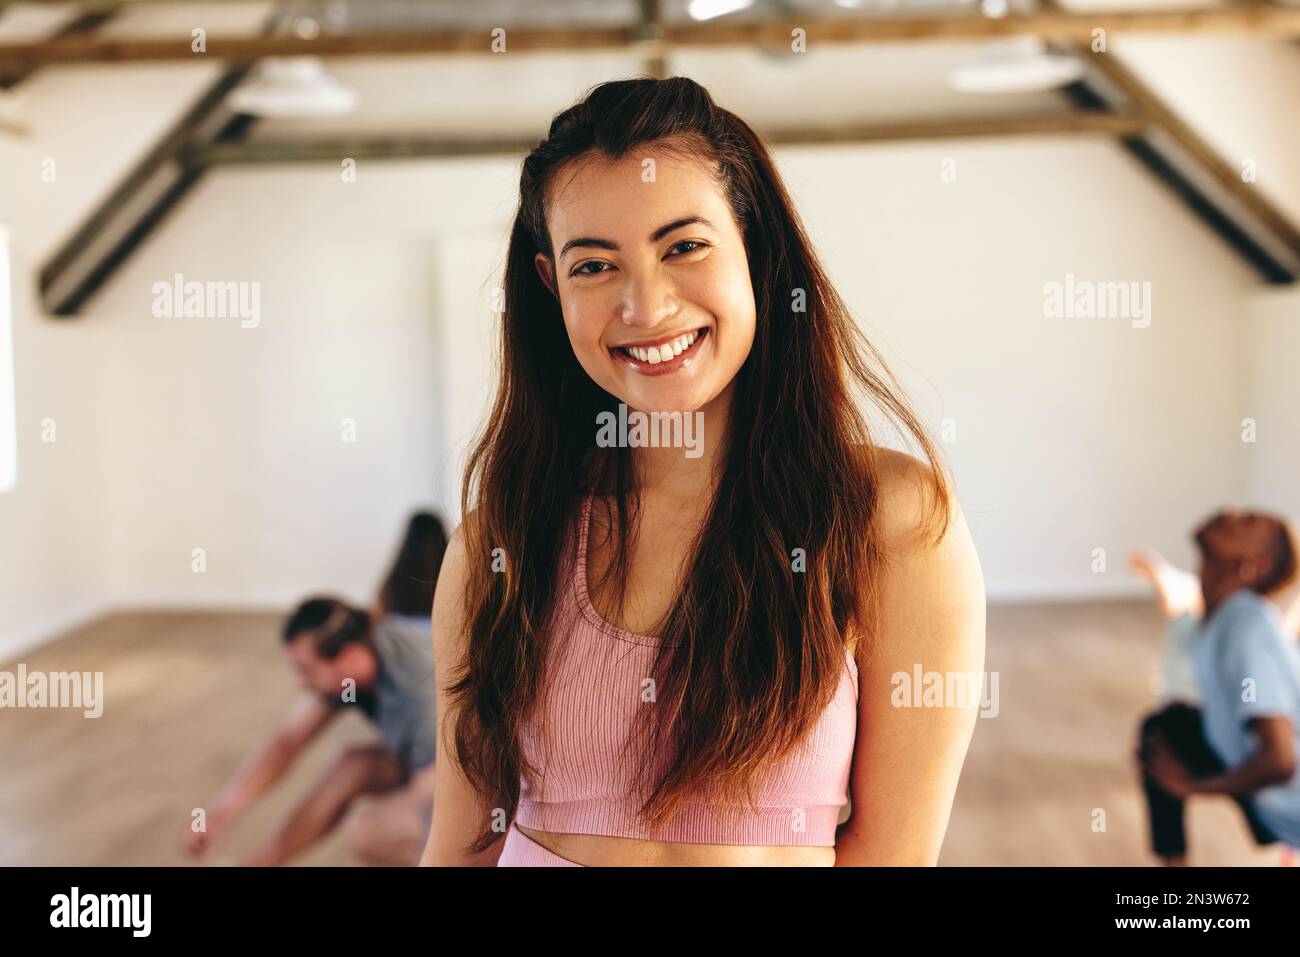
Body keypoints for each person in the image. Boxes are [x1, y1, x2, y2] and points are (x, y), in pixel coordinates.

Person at [419, 76, 986, 868]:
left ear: (753, 245)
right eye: (594, 266)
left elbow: (893, 855)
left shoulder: (891, 519)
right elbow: (462, 842)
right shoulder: (500, 539)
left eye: (683, 246)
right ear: (551, 284)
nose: (645, 307)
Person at [183, 512, 447, 866]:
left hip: (483, 779)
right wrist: (221, 814)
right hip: (426, 761)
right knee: (350, 766)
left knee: (371, 831)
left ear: (350, 658)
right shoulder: (358, 660)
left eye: (307, 671)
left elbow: (438, 794)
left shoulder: (416, 681)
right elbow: (287, 741)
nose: (300, 683)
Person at [1137, 510, 1300, 865]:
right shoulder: (1220, 617)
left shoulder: (1248, 627)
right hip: (1259, 777)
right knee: (1165, 731)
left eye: (1247, 521)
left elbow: (1281, 760)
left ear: (1251, 565)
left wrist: (1193, 787)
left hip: (1286, 797)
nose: (1231, 514)